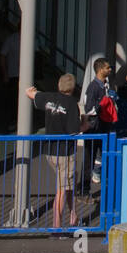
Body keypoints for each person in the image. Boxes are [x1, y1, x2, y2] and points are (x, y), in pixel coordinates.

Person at [26, 75, 84, 230]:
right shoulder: (72, 104)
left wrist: (31, 91)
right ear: (72, 88)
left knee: (68, 185)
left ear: (59, 86)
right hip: (65, 152)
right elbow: (74, 131)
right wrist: (86, 124)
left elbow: (32, 95)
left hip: (49, 150)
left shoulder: (49, 97)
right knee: (62, 190)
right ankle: (56, 227)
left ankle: (73, 216)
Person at [82, 57, 117, 192]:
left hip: (103, 125)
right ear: (101, 69)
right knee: (89, 157)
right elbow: (88, 108)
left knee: (103, 154)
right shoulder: (93, 87)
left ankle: (105, 185)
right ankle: (84, 189)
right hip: (93, 127)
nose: (110, 70)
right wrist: (102, 104)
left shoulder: (106, 85)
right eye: (108, 68)